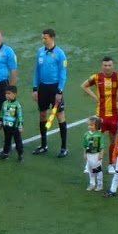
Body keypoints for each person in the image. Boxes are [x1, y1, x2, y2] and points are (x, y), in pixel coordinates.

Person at [31, 28, 68, 157]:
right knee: (42, 116)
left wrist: (59, 91)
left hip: (54, 89)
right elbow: (36, 71)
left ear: (52, 38)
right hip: (43, 88)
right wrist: (35, 89)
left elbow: (63, 74)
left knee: (59, 116)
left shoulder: (60, 54)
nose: (43, 40)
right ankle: (43, 144)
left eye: (45, 38)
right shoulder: (40, 52)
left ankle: (64, 147)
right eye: (42, 38)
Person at [82, 57, 118, 160]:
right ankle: (91, 162)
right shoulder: (96, 77)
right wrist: (94, 96)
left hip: (115, 114)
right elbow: (84, 85)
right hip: (101, 114)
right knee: (95, 138)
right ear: (102, 66)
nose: (107, 68)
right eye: (105, 65)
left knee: (113, 140)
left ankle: (111, 163)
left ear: (113, 66)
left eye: (109, 65)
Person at [0, 85, 24, 162]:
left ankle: (20, 154)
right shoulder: (4, 103)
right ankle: (5, 153)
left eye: (9, 93)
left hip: (14, 127)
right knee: (7, 140)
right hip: (6, 126)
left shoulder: (17, 105)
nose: (7, 95)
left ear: (14, 94)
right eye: (6, 93)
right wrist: (0, 123)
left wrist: (20, 126)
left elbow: (19, 116)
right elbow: (2, 114)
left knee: (17, 141)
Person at [82, 117, 106, 192]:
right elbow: (85, 145)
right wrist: (85, 153)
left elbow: (102, 146)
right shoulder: (86, 134)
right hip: (89, 155)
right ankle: (92, 183)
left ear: (96, 125)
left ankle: (100, 184)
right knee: (90, 170)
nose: (89, 127)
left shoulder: (99, 135)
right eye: (89, 125)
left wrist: (101, 154)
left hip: (96, 155)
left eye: (91, 125)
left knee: (98, 170)